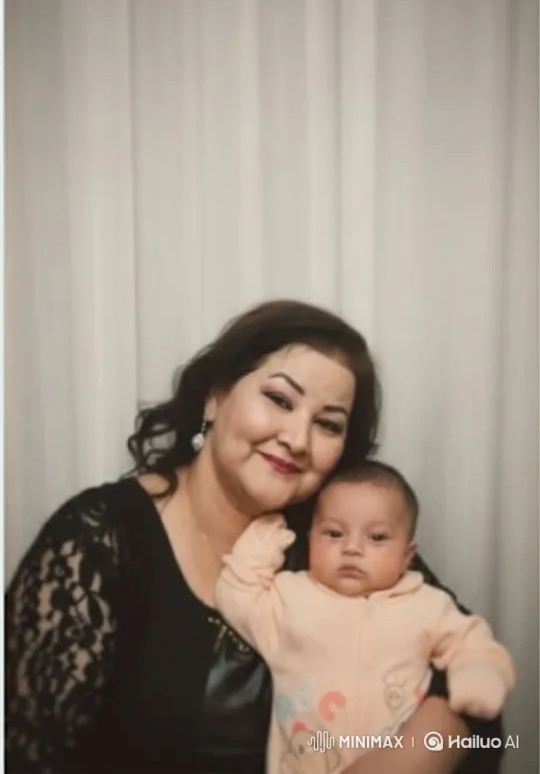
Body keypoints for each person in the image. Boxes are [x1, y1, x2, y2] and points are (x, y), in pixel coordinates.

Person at [5, 299, 504, 774]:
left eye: (328, 425)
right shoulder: (100, 537)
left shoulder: (334, 536)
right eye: (279, 400)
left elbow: (469, 679)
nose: (297, 439)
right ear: (216, 396)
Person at [215, 460, 516, 774]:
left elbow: (472, 644)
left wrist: (476, 678)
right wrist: (261, 543)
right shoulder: (289, 598)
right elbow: (237, 597)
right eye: (334, 533)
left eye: (377, 538)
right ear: (310, 538)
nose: (352, 548)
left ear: (407, 556)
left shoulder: (427, 605)